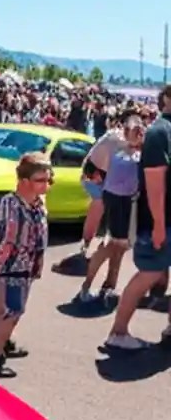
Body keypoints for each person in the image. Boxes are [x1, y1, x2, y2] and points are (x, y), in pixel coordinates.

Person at [104, 85, 171, 351]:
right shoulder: (159, 131)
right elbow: (155, 182)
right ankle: (118, 332)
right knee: (149, 274)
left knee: (152, 273)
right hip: (162, 221)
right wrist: (157, 224)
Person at [0, 152, 52, 378]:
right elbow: (8, 238)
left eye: (49, 180)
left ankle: (1, 341)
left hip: (26, 264)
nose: (46, 185)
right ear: (24, 182)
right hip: (14, 265)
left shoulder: (36, 203)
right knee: (13, 310)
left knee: (5, 309)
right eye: (40, 180)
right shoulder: (12, 205)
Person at [74, 116, 143, 304]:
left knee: (119, 247)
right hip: (120, 202)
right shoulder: (122, 150)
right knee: (112, 246)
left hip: (123, 201)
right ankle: (88, 285)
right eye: (136, 130)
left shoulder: (128, 151)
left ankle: (109, 285)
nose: (140, 134)